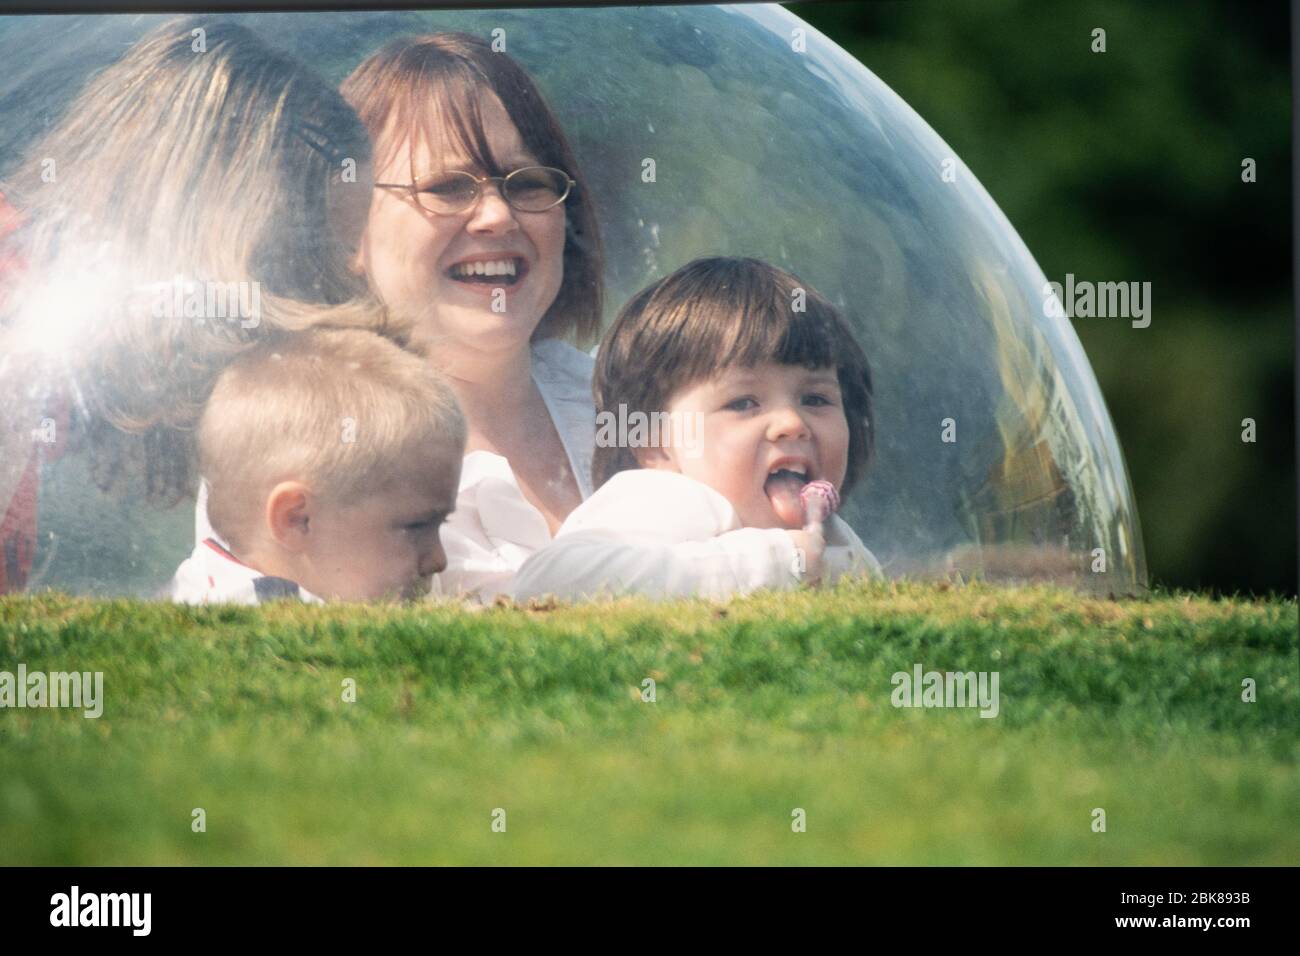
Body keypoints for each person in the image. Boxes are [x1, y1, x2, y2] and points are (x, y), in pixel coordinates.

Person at [0, 16, 397, 593]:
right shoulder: (20, 336)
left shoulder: (43, 310)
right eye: (321, 257)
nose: (331, 288)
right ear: (243, 232)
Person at [336, 33, 605, 602]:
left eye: (527, 182)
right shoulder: (302, 441)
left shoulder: (635, 407)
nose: (496, 216)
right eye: (447, 187)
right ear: (349, 228)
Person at [514, 257, 881, 601]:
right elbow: (550, 580)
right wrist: (772, 563)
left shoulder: (834, 534)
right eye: (743, 403)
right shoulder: (672, 497)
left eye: (815, 399)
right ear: (657, 445)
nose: (793, 424)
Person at [169, 329, 465, 605]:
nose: (438, 560)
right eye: (414, 528)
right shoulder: (259, 626)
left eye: (439, 526)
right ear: (298, 519)